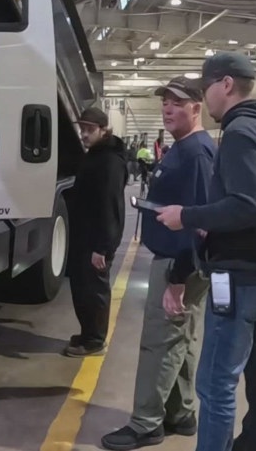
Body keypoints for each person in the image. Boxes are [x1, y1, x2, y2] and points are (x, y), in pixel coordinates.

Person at [155, 52, 256, 451]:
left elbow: (249, 205)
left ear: (226, 84)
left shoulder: (240, 133)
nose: (205, 98)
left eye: (206, 88)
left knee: (215, 382)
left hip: (239, 275)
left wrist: (188, 215)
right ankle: (255, 443)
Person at [101, 77, 216, 450]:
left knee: (160, 341)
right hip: (178, 260)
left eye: (177, 102)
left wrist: (178, 278)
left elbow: (199, 224)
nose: (168, 108)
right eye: (165, 101)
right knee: (181, 335)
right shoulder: (184, 148)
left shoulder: (196, 153)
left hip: (177, 262)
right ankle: (180, 413)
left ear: (197, 108)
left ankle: (146, 423)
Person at [66, 107, 129, 357]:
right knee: (83, 288)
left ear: (104, 130)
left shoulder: (109, 162)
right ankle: (87, 332)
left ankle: (95, 341)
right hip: (86, 236)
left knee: (94, 291)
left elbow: (110, 207)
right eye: (82, 129)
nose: (84, 134)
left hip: (96, 241)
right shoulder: (95, 155)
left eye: (89, 130)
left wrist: (102, 248)